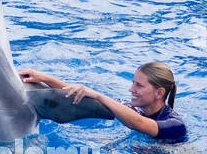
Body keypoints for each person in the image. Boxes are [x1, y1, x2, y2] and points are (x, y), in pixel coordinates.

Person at [17, 61, 188, 143]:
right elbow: (81, 95)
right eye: (132, 82)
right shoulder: (135, 109)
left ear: (159, 93)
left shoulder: (174, 124)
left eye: (139, 85)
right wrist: (43, 78)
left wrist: (99, 95)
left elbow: (137, 123)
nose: (131, 89)